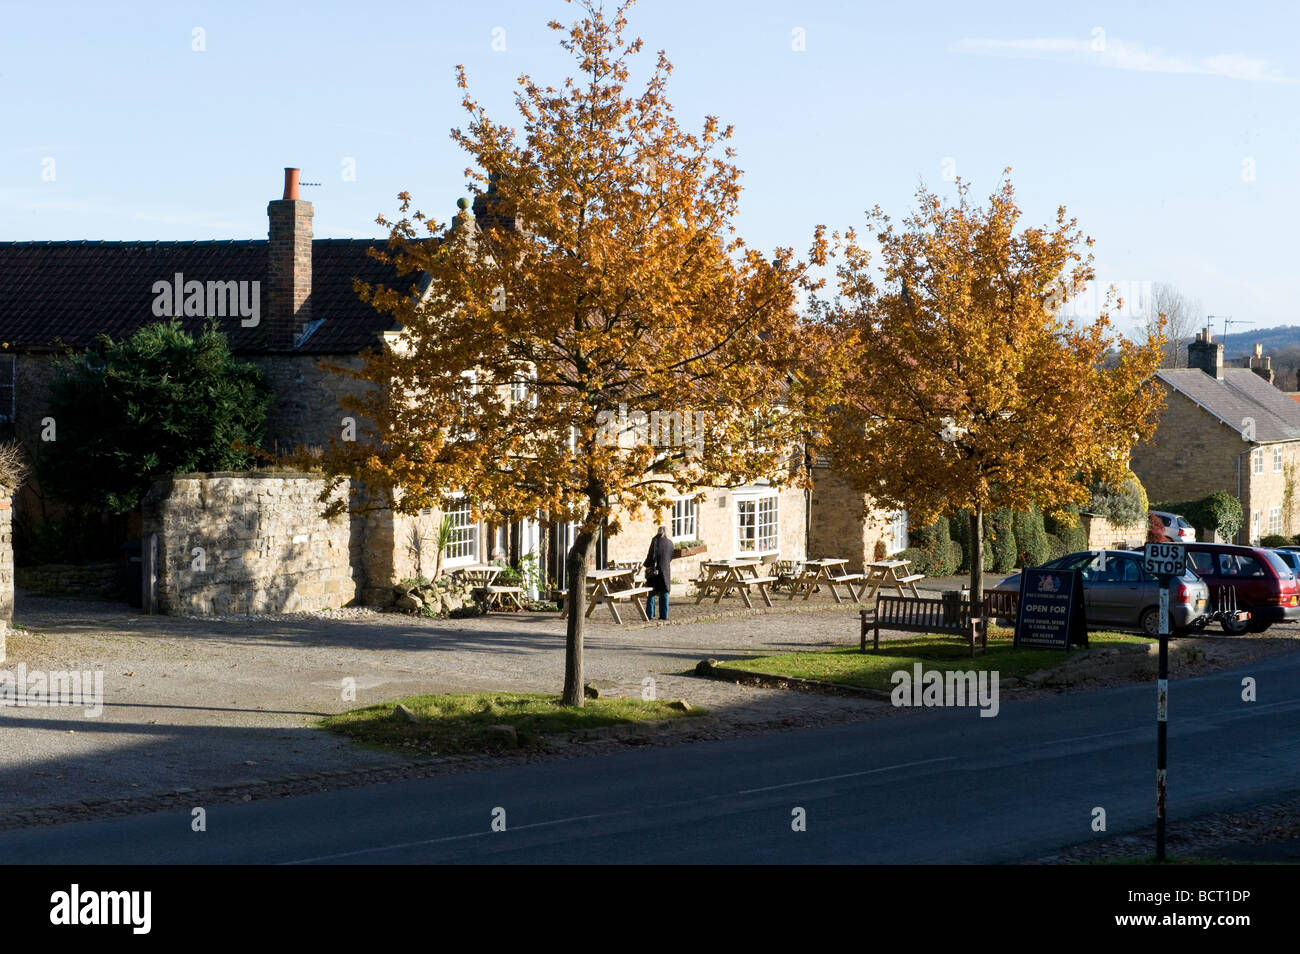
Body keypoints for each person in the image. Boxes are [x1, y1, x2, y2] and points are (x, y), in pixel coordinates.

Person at [643, 525, 673, 621]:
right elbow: (671, 556)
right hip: (665, 570)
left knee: (651, 593)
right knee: (664, 592)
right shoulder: (670, 543)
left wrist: (646, 564)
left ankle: (649, 614)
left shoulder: (655, 541)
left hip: (654, 571)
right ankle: (664, 615)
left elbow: (651, 556)